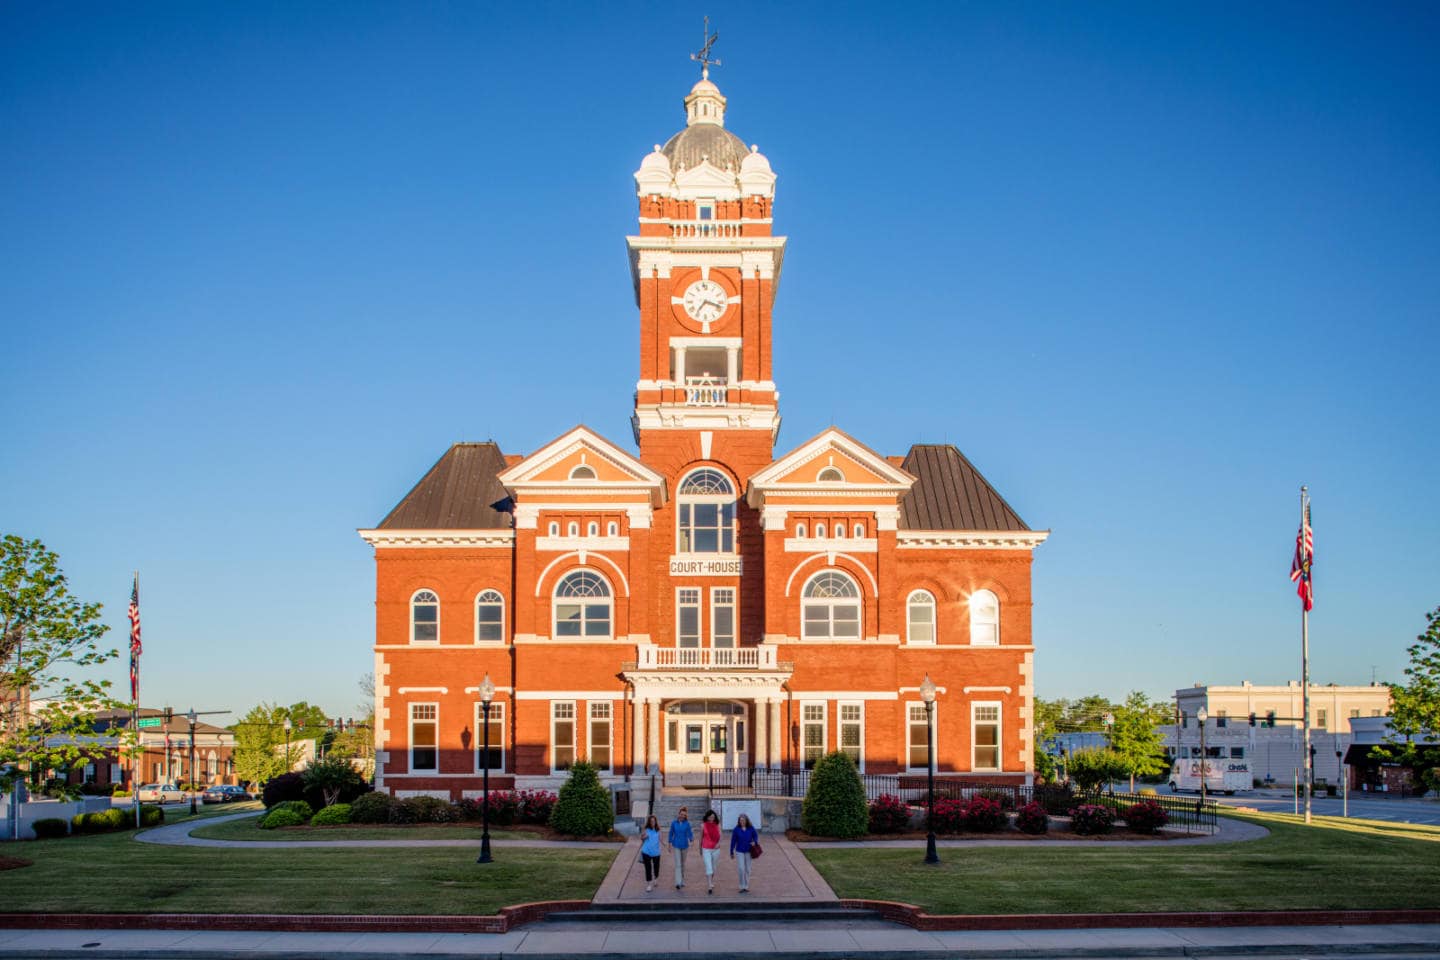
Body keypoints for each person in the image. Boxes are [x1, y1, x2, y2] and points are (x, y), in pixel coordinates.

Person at [729, 812, 759, 893]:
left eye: (743, 820)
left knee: (748, 869)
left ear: (746, 820)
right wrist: (731, 851)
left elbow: (755, 836)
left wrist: (755, 842)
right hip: (739, 851)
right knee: (741, 869)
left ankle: (746, 886)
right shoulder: (736, 829)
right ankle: (741, 886)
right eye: (740, 820)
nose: (742, 822)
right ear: (739, 821)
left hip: (749, 851)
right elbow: (733, 841)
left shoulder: (751, 828)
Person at [667, 806, 694, 889]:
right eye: (681, 814)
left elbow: (689, 833)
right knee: (678, 864)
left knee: (682, 864)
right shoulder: (674, 823)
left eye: (684, 815)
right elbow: (671, 833)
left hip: (685, 846)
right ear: (679, 814)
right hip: (676, 845)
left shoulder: (687, 823)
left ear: (685, 816)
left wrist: (691, 840)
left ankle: (682, 880)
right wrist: (669, 844)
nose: (682, 816)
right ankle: (678, 882)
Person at [699, 809, 721, 893]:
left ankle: (711, 881)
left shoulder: (718, 825)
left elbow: (721, 836)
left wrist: (718, 843)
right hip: (706, 848)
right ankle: (709, 886)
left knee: (714, 868)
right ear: (707, 817)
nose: (712, 818)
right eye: (710, 817)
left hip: (716, 849)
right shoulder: (703, 825)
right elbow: (700, 838)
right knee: (709, 866)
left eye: (713, 817)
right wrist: (700, 849)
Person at [640, 814, 662, 892]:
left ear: (656, 821)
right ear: (649, 822)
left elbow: (661, 839)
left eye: (654, 821)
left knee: (656, 867)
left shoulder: (658, 829)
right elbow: (642, 838)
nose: (653, 822)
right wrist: (644, 837)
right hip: (646, 852)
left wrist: (666, 845)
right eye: (651, 821)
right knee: (648, 868)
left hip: (656, 852)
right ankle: (649, 885)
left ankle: (656, 878)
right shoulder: (645, 829)